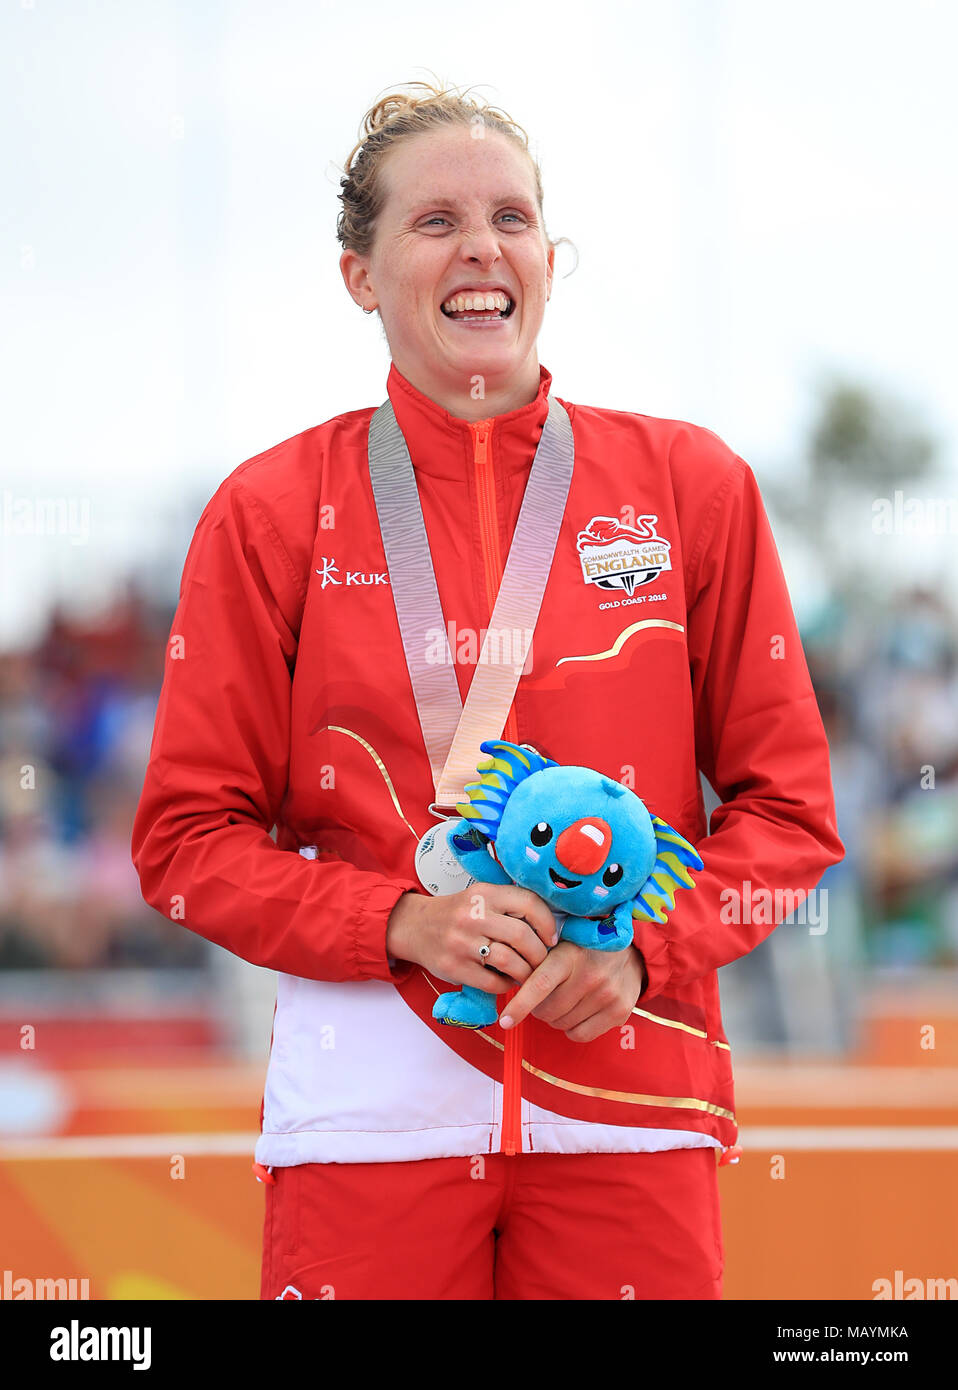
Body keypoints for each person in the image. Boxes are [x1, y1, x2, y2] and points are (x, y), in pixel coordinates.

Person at [130, 80, 844, 1301]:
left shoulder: (689, 486)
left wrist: (647, 948)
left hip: (628, 1093)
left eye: (512, 217)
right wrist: (397, 921)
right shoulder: (268, 511)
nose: (482, 248)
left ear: (549, 261)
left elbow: (791, 818)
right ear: (358, 274)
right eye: (435, 220)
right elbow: (186, 842)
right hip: (368, 1115)